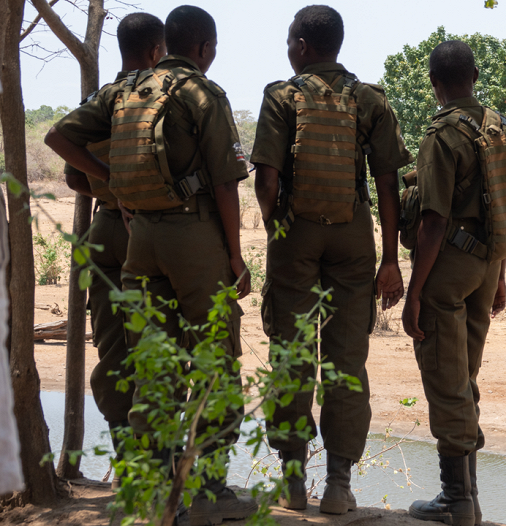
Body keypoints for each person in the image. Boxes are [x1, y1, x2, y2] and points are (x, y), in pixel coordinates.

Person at [46, 6, 256, 525]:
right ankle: (208, 491)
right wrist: (234, 255)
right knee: (214, 355)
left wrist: (112, 182)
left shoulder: (124, 91)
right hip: (192, 236)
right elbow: (227, 183)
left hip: (140, 239)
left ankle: (151, 493)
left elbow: (59, 138)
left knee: (151, 365)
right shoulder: (202, 93)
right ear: (204, 47)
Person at [251, 5, 412, 513]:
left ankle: (294, 482)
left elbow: (267, 178)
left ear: (301, 45)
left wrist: (277, 226)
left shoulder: (281, 96)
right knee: (346, 363)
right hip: (354, 236)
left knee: (291, 356)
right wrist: (390, 259)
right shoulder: (368, 100)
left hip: (294, 235)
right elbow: (387, 183)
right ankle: (339, 486)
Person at [402, 41, 506, 526]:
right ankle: (469, 499)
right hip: (487, 265)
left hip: (450, 266)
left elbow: (433, 220)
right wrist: (498, 273)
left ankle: (456, 502)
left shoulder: (441, 135)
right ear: (475, 75)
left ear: (434, 83)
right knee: (465, 378)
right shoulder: (500, 128)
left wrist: (415, 292)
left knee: (446, 378)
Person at [45, 12, 165, 481]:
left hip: (106, 229)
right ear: (157, 51)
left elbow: (72, 168)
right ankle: (158, 467)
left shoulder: (100, 100)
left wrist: (109, 181)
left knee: (113, 350)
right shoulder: (161, 97)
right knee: (158, 345)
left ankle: (128, 463)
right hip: (150, 233)